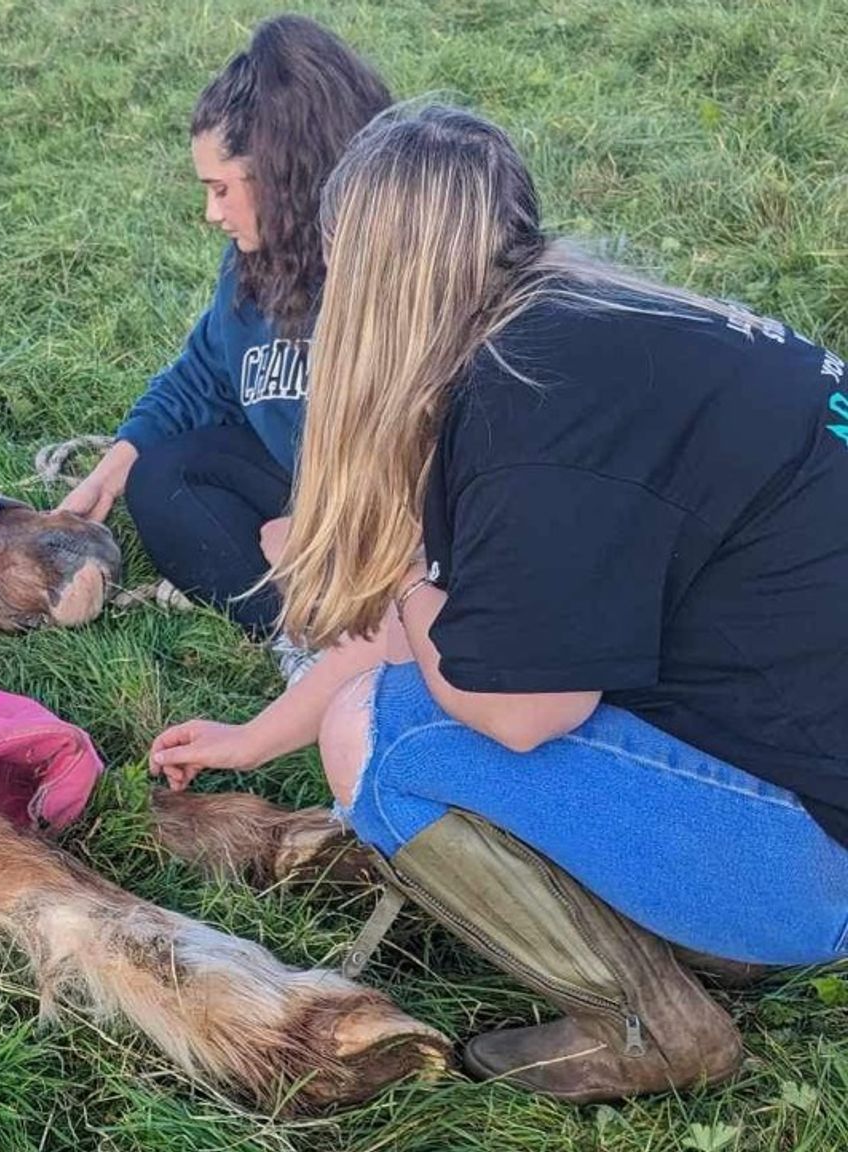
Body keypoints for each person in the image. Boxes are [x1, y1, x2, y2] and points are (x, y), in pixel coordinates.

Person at [158, 102, 848, 1102]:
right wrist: (250, 741)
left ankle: (647, 1021)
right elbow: (436, 625)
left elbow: (518, 709)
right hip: (802, 767)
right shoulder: (589, 331)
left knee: (384, 742)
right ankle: (698, 921)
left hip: (815, 866)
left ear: (373, 271)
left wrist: (396, 578)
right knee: (419, 685)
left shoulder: (526, 406)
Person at [58, 14, 391, 665]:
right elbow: (206, 374)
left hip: (396, 513)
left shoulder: (388, 268)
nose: (212, 213)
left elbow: (432, 443)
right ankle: (300, 635)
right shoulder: (253, 261)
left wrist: (333, 530)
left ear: (287, 174)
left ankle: (366, 629)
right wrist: (116, 464)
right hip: (304, 489)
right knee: (164, 478)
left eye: (222, 189)